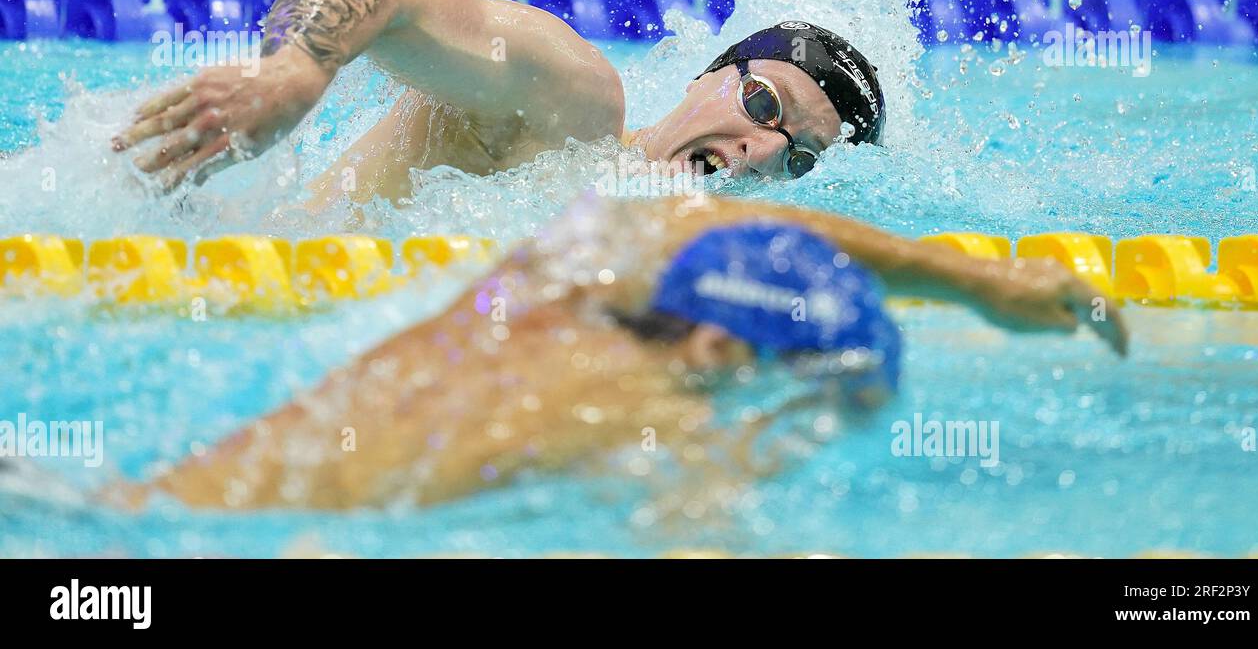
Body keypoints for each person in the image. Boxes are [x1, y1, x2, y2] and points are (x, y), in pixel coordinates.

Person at [130, 193, 1126, 510]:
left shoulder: (542, 288)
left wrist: (974, 281)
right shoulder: (659, 418)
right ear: (725, 348)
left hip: (148, 505)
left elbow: (725, 218)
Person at [110, 0, 886, 206]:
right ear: (707, 77)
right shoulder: (570, 104)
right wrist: (295, 71)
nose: (757, 150)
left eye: (797, 157)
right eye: (762, 104)